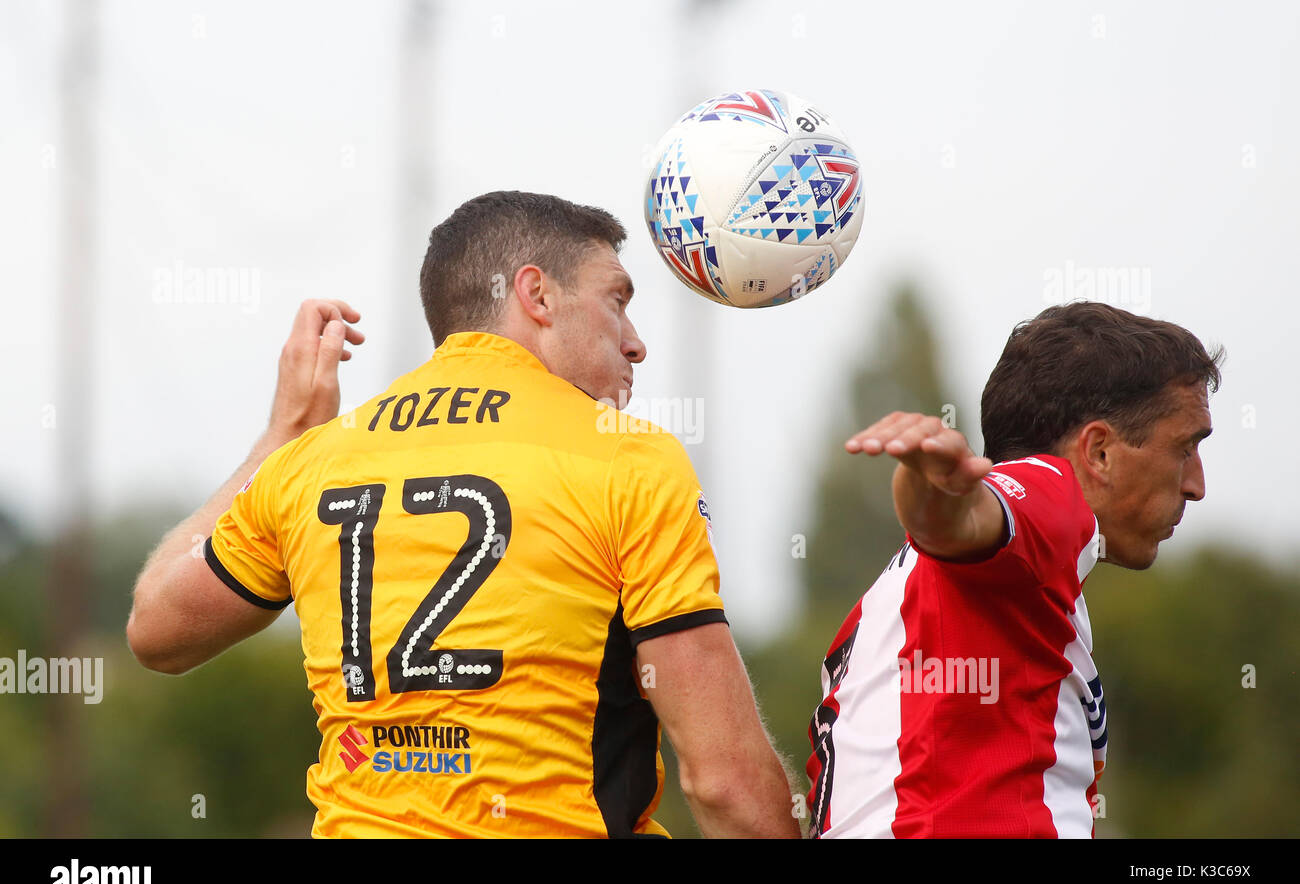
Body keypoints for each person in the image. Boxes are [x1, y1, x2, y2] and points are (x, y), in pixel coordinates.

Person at [128, 190, 798, 838]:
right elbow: (726, 785)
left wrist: (283, 433)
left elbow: (157, 626)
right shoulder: (629, 460)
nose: (635, 343)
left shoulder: (311, 463)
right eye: (616, 302)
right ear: (536, 295)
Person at [806, 302, 1221, 838]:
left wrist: (938, 496)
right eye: (1185, 447)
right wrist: (933, 489)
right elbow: (962, 520)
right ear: (1098, 452)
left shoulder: (904, 602)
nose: (1197, 484)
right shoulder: (1051, 493)